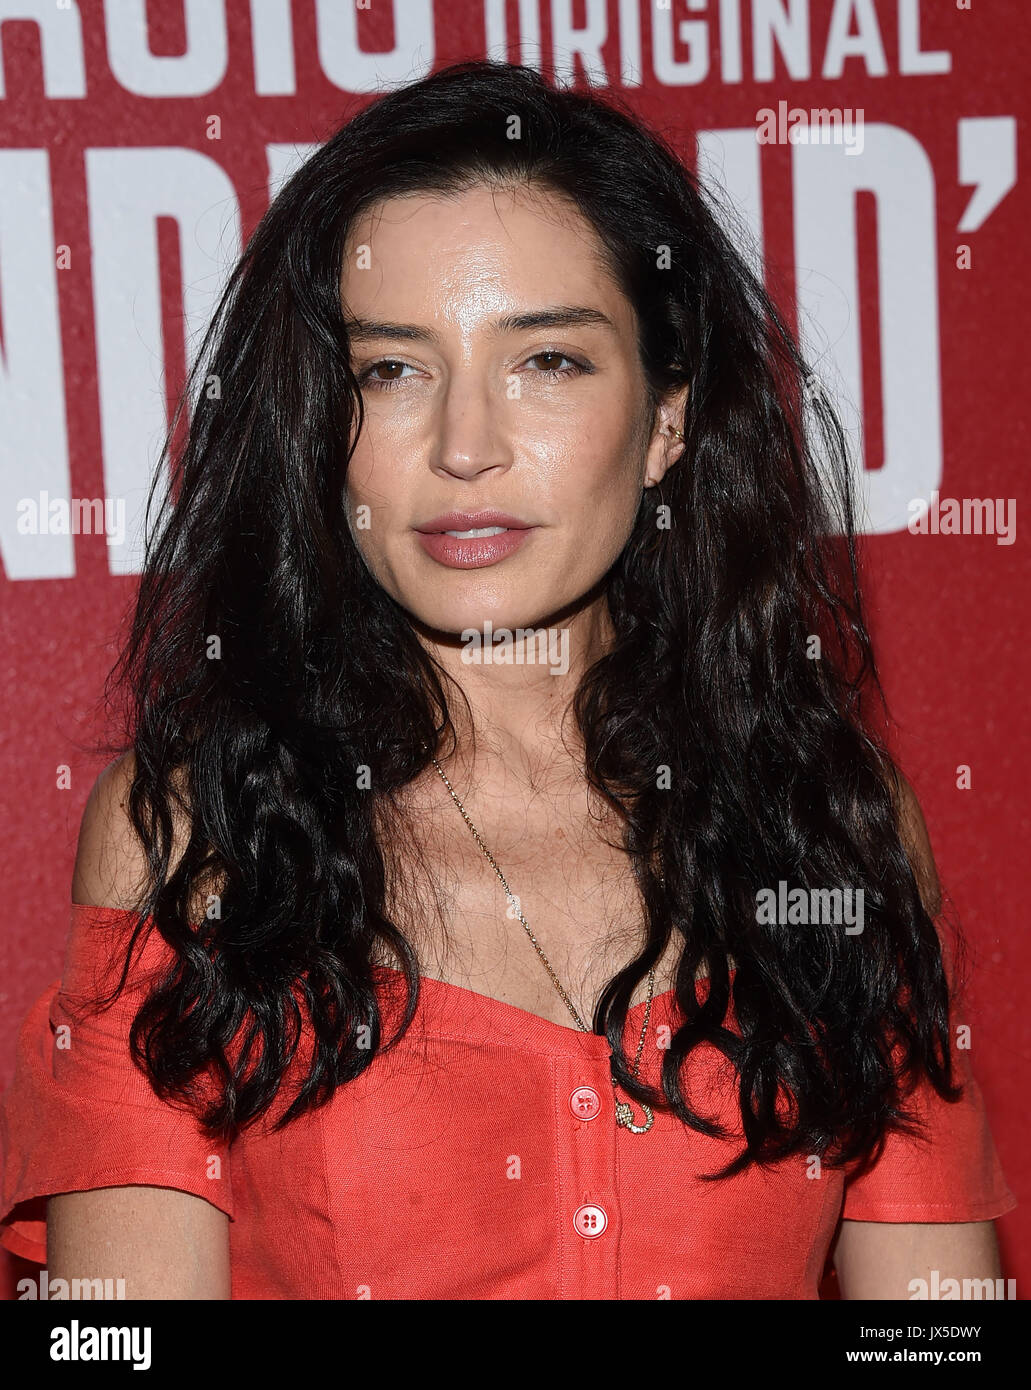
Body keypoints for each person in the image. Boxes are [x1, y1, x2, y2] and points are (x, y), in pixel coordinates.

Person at [0, 60, 1014, 1300]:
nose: (465, 446)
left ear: (664, 422)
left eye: (546, 361)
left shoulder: (820, 829)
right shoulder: (200, 838)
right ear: (320, 426)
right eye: (390, 370)